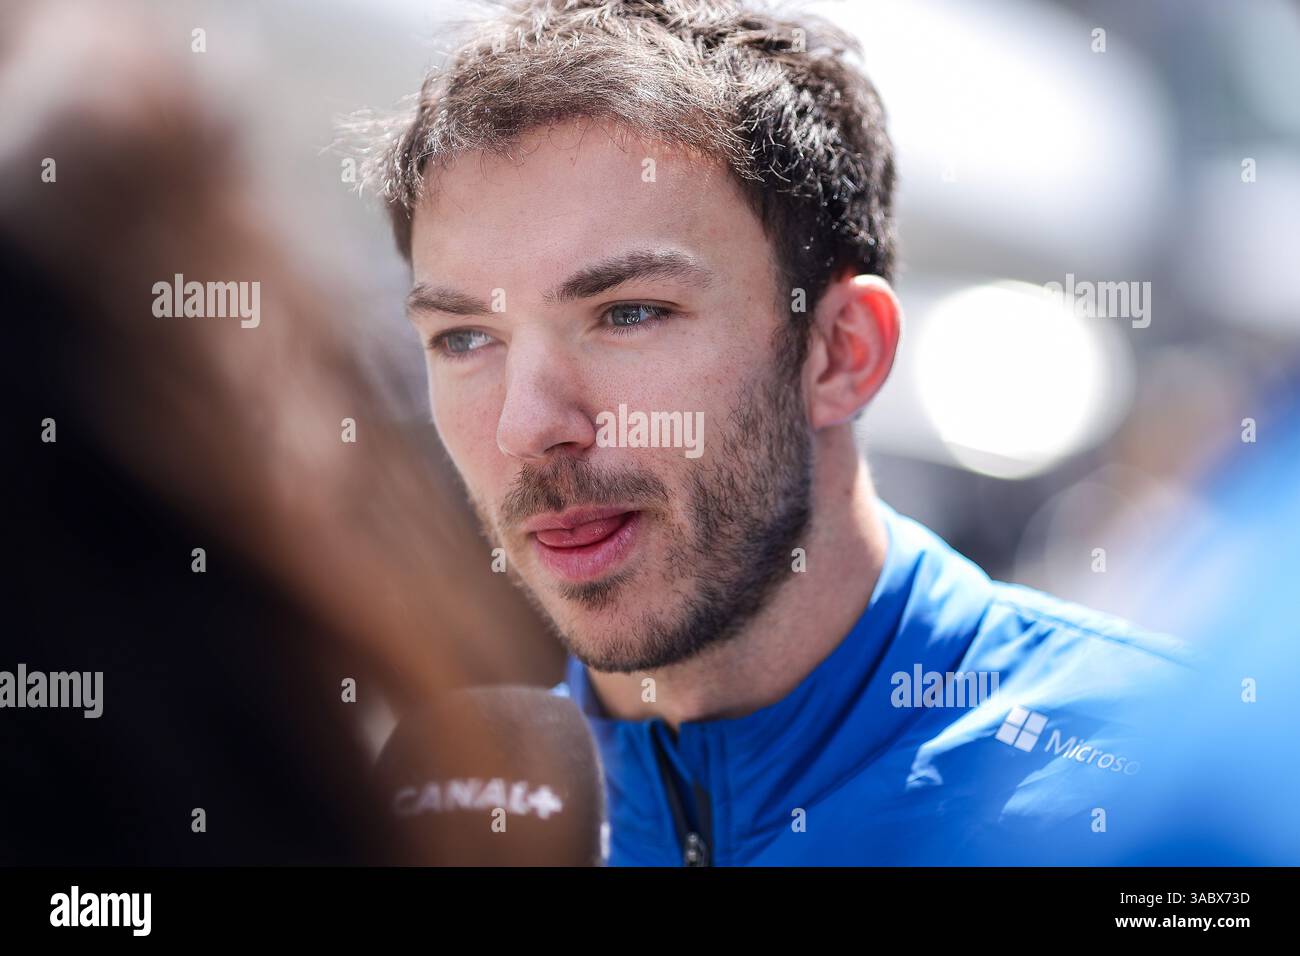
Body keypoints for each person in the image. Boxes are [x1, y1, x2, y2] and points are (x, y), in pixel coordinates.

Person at [362, 0, 1197, 865]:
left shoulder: (1171, 783)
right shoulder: (442, 818)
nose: (528, 426)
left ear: (841, 351)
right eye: (464, 339)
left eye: (629, 313)